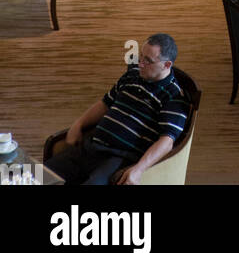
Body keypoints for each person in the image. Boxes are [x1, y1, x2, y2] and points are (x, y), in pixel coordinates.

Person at [46, 34, 190, 186]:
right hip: (92, 145)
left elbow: (167, 141)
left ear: (166, 65)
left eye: (148, 61)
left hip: (118, 158)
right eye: (141, 56)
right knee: (35, 175)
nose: (140, 63)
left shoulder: (174, 96)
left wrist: (139, 169)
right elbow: (105, 103)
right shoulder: (133, 74)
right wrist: (78, 124)